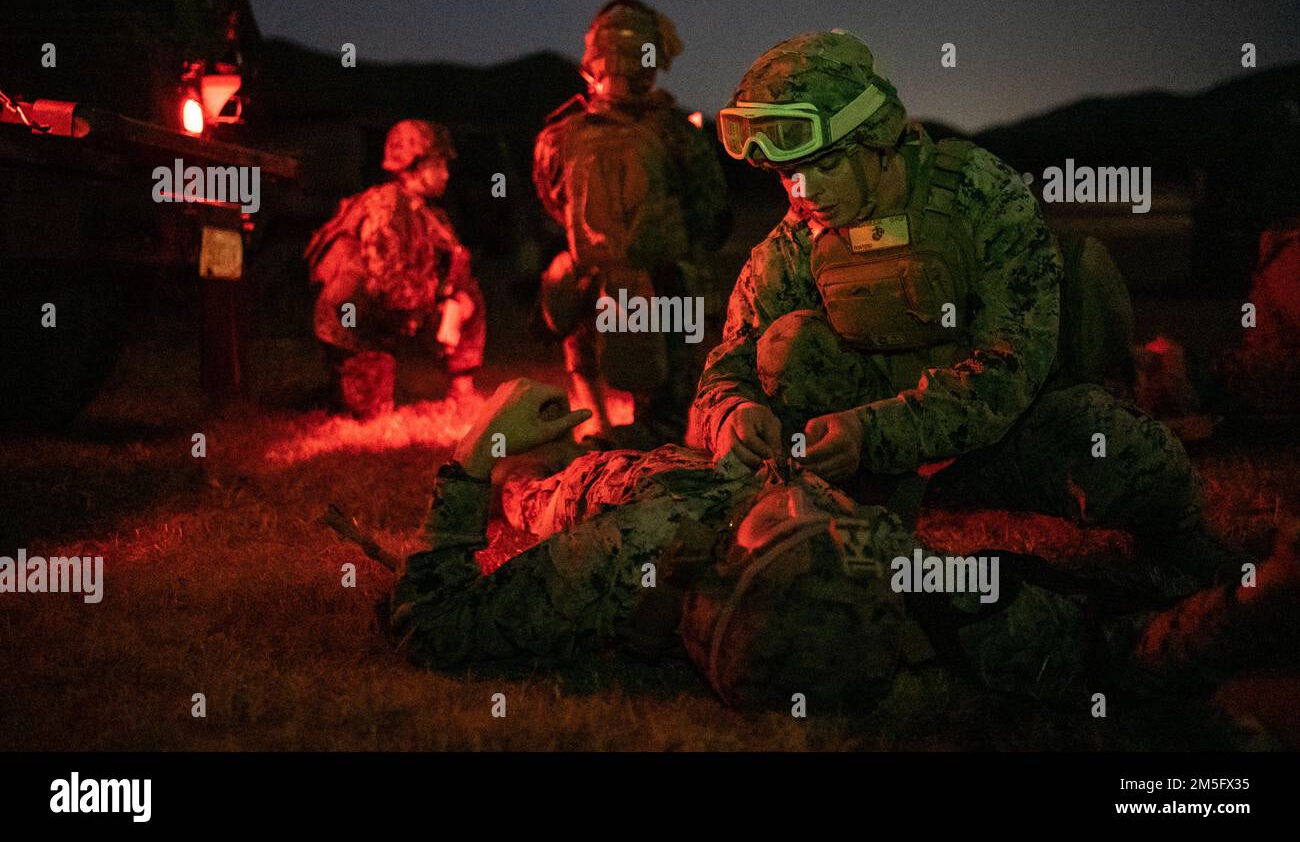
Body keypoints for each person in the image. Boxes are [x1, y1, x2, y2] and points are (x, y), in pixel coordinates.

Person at [382, 377, 1298, 713]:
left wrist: (473, 462)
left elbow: (434, 621)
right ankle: (1253, 611)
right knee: (1082, 645)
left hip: (786, 541)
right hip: (861, 570)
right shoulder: (877, 580)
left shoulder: (625, 535)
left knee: (1071, 643)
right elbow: (1100, 652)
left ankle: (1251, 613)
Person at [691, 30, 1241, 585]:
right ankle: (849, 531)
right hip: (865, 465)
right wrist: (733, 410)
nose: (802, 191)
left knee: (1138, 458)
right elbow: (730, 358)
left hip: (996, 443)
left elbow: (1009, 369)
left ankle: (1188, 559)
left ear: (876, 139)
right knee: (786, 346)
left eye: (824, 165)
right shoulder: (796, 241)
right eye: (788, 174)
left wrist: (873, 433)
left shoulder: (979, 195)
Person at [533, 0, 731, 444]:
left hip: (588, 287)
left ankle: (593, 425)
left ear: (594, 59)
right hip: (665, 289)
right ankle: (654, 436)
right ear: (654, 60)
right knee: (672, 418)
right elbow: (713, 216)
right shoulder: (678, 133)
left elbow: (553, 202)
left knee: (578, 301)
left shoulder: (558, 135)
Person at [305, 119, 485, 418]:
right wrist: (442, 301)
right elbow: (385, 286)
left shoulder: (429, 214)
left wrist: (455, 300)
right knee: (368, 413)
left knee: (468, 293)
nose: (447, 173)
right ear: (415, 166)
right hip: (356, 329)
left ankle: (461, 387)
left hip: (384, 318)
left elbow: (451, 272)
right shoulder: (386, 205)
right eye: (438, 164)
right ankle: (334, 386)